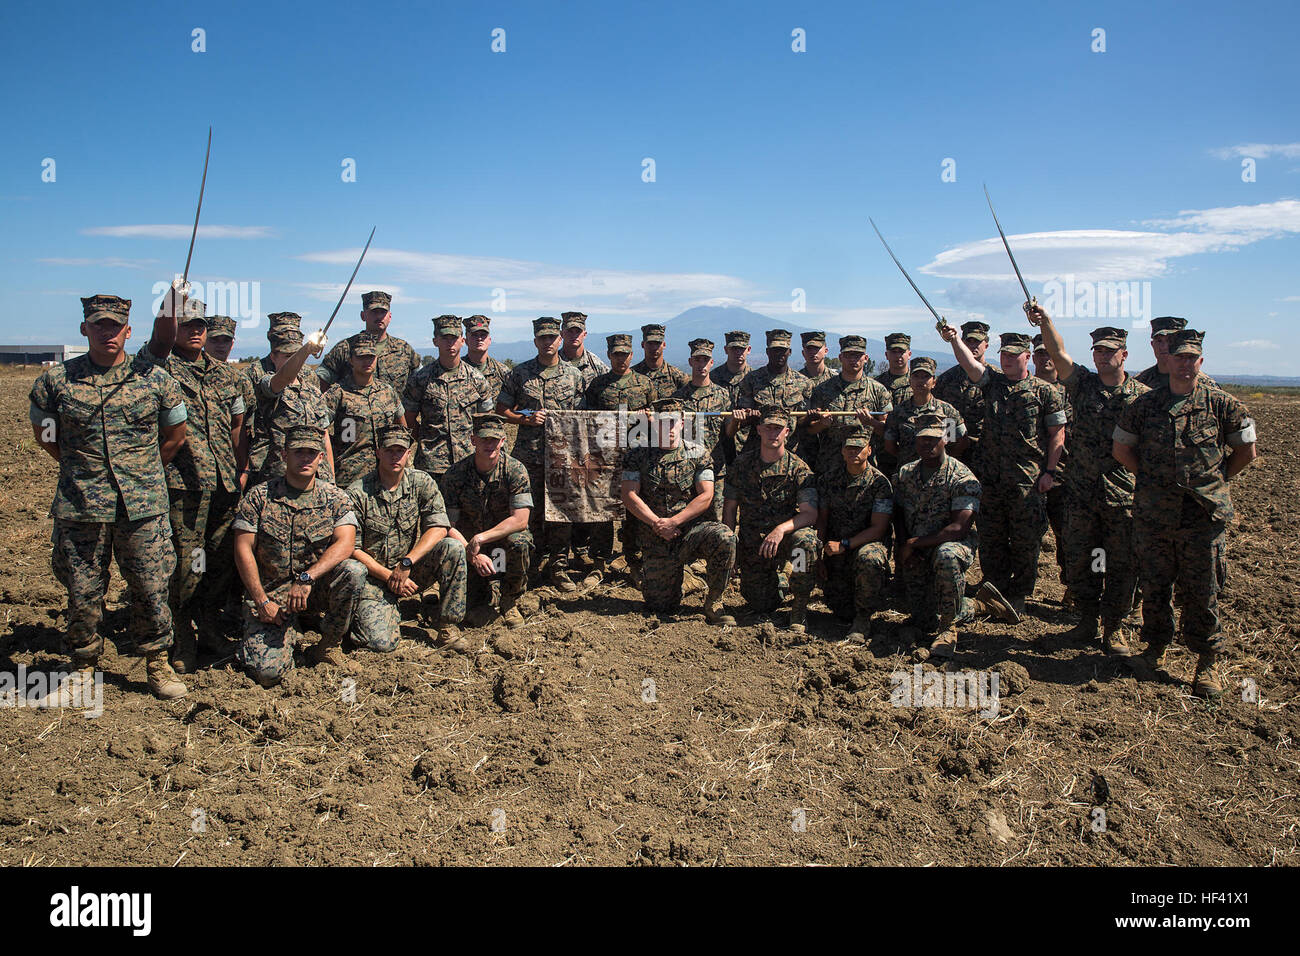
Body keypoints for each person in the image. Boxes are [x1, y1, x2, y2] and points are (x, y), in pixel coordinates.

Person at [30, 293, 190, 702]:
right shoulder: (56, 381)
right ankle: (83, 666)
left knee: (151, 587)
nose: (107, 333)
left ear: (128, 331)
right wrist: (81, 470)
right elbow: (46, 435)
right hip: (81, 505)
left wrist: (143, 471)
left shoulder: (153, 379)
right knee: (83, 590)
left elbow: (174, 436)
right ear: (84, 329)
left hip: (143, 505)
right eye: (98, 325)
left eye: (115, 326)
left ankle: (157, 662)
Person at [1114, 329, 1257, 698]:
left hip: (1201, 517)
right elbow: (1121, 449)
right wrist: (1150, 479)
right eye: (1179, 357)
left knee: (1202, 589)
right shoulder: (1146, 405)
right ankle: (1155, 649)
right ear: (1168, 361)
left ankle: (1207, 661)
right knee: (1155, 585)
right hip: (1154, 515)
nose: (1185, 363)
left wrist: (1215, 481)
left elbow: (1246, 451)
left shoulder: (1222, 404)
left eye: (1192, 357)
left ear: (1201, 362)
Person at [137, 296, 247, 673]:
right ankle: (180, 634)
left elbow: (237, 427)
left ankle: (210, 626)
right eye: (187, 325)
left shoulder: (226, 374)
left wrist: (241, 468)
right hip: (182, 486)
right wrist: (170, 299)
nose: (196, 331)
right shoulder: (158, 367)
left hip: (225, 485)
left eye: (201, 325)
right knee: (186, 565)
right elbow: (156, 339)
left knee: (218, 560)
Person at [1030, 308, 1148, 655]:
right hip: (1082, 497)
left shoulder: (1142, 397)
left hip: (1122, 498)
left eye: (1110, 351)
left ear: (1124, 354)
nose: (1103, 356)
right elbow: (1057, 353)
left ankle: (1114, 628)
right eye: (1098, 350)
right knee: (1085, 559)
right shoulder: (1083, 385)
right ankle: (1086, 622)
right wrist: (1046, 321)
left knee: (1120, 565)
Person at [941, 326, 1066, 617]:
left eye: (1013, 355)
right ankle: (993, 585)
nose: (1007, 360)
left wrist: (1049, 472)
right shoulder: (992, 383)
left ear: (1026, 356)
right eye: (1003, 355)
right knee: (992, 535)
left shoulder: (1045, 392)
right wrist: (954, 340)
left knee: (1025, 539)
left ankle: (1019, 593)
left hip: (1027, 481)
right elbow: (969, 364)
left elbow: (1057, 435)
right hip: (991, 479)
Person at [231, 425, 366, 686]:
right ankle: (286, 631)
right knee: (267, 675)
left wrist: (307, 578)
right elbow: (242, 549)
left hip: (314, 589)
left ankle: (327, 646)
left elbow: (346, 543)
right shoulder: (259, 497)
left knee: (354, 571)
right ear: (284, 455)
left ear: (321, 457)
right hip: (273, 598)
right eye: (298, 452)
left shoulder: (335, 497)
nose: (305, 459)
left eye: (311, 453)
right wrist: (261, 602)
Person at [895, 413, 1018, 662]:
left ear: (945, 440)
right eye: (922, 440)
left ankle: (948, 630)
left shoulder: (962, 478)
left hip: (952, 545)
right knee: (923, 618)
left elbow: (959, 528)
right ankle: (982, 605)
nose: (927, 445)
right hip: (917, 546)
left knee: (946, 556)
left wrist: (913, 544)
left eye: (933, 439)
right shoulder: (906, 473)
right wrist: (905, 546)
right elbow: (898, 512)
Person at [347, 424, 468, 653]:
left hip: (408, 569)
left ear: (408, 454)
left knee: (452, 547)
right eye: (389, 450)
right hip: (374, 577)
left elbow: (439, 526)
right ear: (378, 452)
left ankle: (447, 626)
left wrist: (406, 563)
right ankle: (370, 612)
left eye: (400, 451)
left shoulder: (420, 482)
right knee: (380, 645)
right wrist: (389, 575)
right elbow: (351, 548)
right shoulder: (357, 492)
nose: (395, 456)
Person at [621, 399, 737, 624]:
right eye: (663, 423)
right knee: (661, 606)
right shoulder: (637, 455)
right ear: (654, 424)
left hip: (690, 534)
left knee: (725, 537)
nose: (669, 428)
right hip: (655, 537)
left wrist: (674, 522)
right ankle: (685, 581)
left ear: (682, 423)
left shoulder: (698, 453)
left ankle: (714, 602)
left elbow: (706, 496)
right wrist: (658, 524)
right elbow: (629, 495)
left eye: (673, 422)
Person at [495, 317, 585, 590]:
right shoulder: (520, 373)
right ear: (535, 341)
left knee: (560, 512)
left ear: (560, 340)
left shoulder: (574, 376)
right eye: (542, 338)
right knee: (529, 513)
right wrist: (525, 419)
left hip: (562, 457)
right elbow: (502, 410)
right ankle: (530, 566)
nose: (547, 342)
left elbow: (583, 417)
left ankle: (558, 566)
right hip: (529, 457)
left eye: (552, 338)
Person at [723, 405, 820, 633]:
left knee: (805, 543)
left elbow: (810, 513)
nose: (773, 433)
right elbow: (730, 509)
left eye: (779, 428)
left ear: (787, 432)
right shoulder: (742, 465)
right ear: (758, 430)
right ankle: (781, 581)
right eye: (768, 428)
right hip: (753, 543)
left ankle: (798, 607)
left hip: (784, 541)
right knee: (759, 604)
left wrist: (780, 530)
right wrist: (731, 546)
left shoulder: (799, 469)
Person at [440, 414, 534, 629]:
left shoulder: (515, 470)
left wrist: (481, 538)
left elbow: (520, 520)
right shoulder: (455, 475)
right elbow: (447, 525)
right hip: (468, 547)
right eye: (484, 439)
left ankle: (510, 599)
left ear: (503, 441)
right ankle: (481, 591)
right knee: (469, 607)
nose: (489, 445)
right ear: (473, 440)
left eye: (494, 439)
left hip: (498, 541)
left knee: (520, 540)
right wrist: (472, 552)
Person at [580, 334, 654, 584]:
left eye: (625, 354)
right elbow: (585, 420)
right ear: (609, 355)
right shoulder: (598, 385)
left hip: (636, 459)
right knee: (602, 511)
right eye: (616, 354)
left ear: (632, 355)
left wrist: (649, 418)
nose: (621, 358)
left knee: (634, 511)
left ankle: (634, 562)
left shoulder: (644, 384)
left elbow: (656, 421)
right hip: (605, 457)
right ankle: (598, 563)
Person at [816, 431, 893, 644]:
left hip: (864, 545)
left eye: (859, 448)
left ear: (869, 450)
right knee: (840, 610)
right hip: (835, 550)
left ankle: (863, 619)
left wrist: (846, 544)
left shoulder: (879, 483)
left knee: (870, 557)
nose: (854, 452)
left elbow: (878, 528)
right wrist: (819, 553)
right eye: (849, 448)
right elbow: (822, 519)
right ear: (842, 451)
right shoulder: (828, 479)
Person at [402, 315, 493, 483]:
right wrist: (425, 441)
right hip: (431, 465)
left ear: (462, 340)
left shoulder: (477, 379)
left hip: (469, 462)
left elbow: (487, 422)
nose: (449, 343)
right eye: (444, 338)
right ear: (435, 341)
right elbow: (408, 420)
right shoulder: (420, 379)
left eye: (454, 338)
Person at [248, 323, 335, 487]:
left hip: (317, 477)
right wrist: (305, 350)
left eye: (296, 355)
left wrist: (331, 478)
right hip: (280, 478)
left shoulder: (312, 392)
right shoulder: (268, 384)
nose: (296, 360)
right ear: (273, 357)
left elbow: (324, 435)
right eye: (288, 356)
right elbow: (283, 378)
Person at [323, 331, 406, 488]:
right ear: (351, 360)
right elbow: (320, 429)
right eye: (361, 357)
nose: (367, 361)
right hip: (349, 477)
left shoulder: (387, 391)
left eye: (371, 356)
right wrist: (329, 474)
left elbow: (402, 427)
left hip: (385, 477)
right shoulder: (338, 393)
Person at [803, 335, 891, 473]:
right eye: (848, 355)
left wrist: (870, 422)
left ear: (865, 358)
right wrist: (822, 424)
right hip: (830, 466)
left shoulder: (878, 390)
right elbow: (809, 429)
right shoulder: (823, 389)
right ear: (840, 357)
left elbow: (887, 430)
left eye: (857, 355)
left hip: (863, 467)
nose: (853, 360)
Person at [728, 329, 816, 459]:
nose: (779, 354)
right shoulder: (751, 380)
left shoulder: (803, 383)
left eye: (783, 350)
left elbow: (802, 421)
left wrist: (810, 417)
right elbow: (742, 418)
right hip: (757, 451)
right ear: (767, 352)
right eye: (775, 350)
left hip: (791, 452)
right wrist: (750, 417)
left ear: (789, 352)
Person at [316, 290, 420, 395]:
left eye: (383, 312)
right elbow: (319, 383)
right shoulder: (345, 348)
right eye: (374, 312)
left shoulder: (404, 349)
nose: (379, 316)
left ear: (390, 316)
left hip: (395, 410)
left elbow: (421, 383)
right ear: (363, 316)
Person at [672, 338, 731, 520]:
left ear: (711, 362)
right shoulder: (678, 398)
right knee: (685, 519)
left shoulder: (722, 395)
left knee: (716, 519)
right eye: (697, 360)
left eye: (705, 360)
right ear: (690, 362)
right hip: (685, 468)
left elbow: (728, 433)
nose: (701, 365)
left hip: (715, 468)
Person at [1032, 332, 1072, 595]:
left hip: (1065, 475)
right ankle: (1024, 584)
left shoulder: (1074, 391)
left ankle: (1072, 586)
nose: (1045, 358)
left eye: (1049, 352)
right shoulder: (1023, 388)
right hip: (1029, 474)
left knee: (1067, 534)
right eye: (1040, 353)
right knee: (1029, 533)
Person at [882, 356, 967, 475]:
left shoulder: (946, 411)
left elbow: (958, 441)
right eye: (916, 376)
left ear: (934, 382)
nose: (920, 381)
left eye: (926, 377)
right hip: (908, 475)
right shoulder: (898, 412)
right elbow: (890, 446)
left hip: (940, 475)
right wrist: (907, 458)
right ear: (909, 381)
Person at [934, 320, 991, 476]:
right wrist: (952, 445)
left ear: (986, 345)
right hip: (954, 451)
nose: (972, 345)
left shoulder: (996, 378)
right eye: (968, 341)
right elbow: (941, 414)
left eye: (977, 341)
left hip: (986, 452)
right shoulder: (947, 379)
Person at [1135, 316, 1218, 391]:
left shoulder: (1205, 384)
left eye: (1169, 340)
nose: (1164, 346)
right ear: (1152, 345)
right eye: (1159, 341)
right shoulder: (1140, 381)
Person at [633, 323, 688, 402]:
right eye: (650, 343)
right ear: (642, 344)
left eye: (657, 343)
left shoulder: (677, 377)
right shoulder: (633, 375)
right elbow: (623, 409)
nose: (654, 348)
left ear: (664, 345)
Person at [462, 314, 512, 400]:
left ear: (489, 340)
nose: (479, 338)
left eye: (483, 335)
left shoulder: (503, 372)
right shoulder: (459, 370)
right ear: (466, 340)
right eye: (474, 335)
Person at [559, 311, 609, 388]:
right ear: (562, 334)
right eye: (570, 331)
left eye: (578, 332)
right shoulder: (553, 363)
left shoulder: (596, 365)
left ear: (584, 335)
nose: (574, 335)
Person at [875, 332, 915, 405]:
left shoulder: (918, 382)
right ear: (886, 355)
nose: (898, 355)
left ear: (909, 355)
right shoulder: (877, 384)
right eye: (894, 352)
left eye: (901, 352)